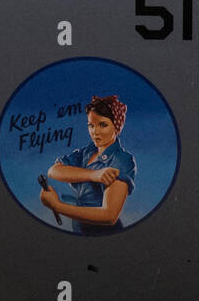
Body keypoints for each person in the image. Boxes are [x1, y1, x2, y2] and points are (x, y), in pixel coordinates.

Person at [41, 94, 137, 234]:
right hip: (80, 229)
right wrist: (94, 175)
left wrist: (57, 206)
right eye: (91, 125)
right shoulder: (88, 151)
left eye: (103, 125)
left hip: (105, 234)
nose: (95, 132)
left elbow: (109, 216)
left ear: (116, 127)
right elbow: (54, 170)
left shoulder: (122, 159)